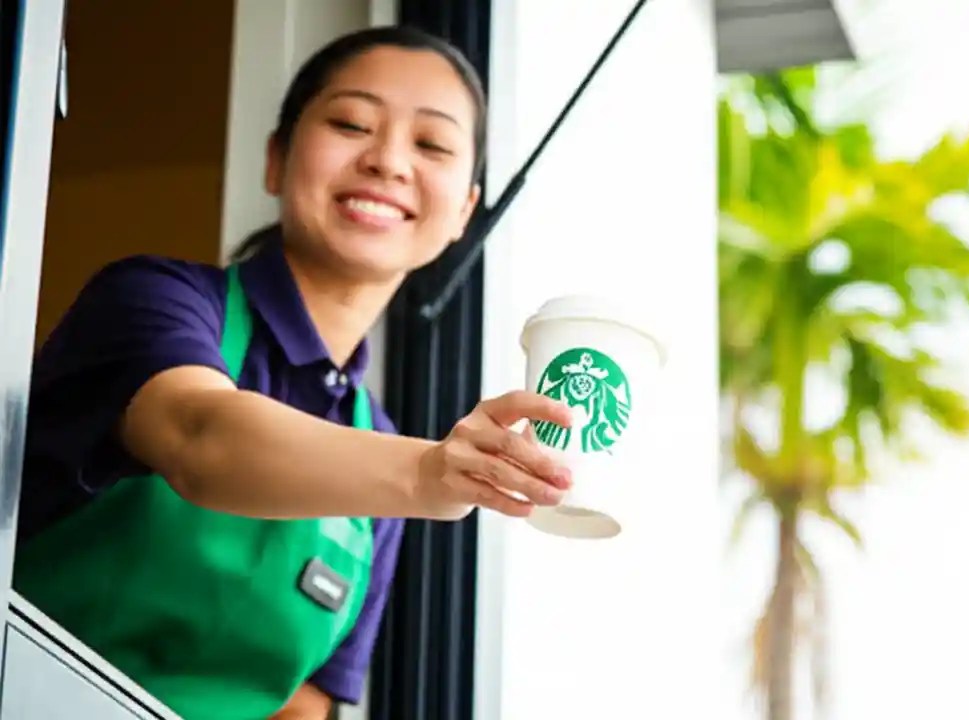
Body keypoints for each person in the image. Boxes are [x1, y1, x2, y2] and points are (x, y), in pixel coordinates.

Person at [12, 26, 572, 720]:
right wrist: (429, 475)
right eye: (350, 123)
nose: (389, 161)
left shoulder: (384, 450)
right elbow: (200, 436)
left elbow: (302, 708)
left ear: (463, 213)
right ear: (277, 159)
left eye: (431, 144)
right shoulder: (153, 302)